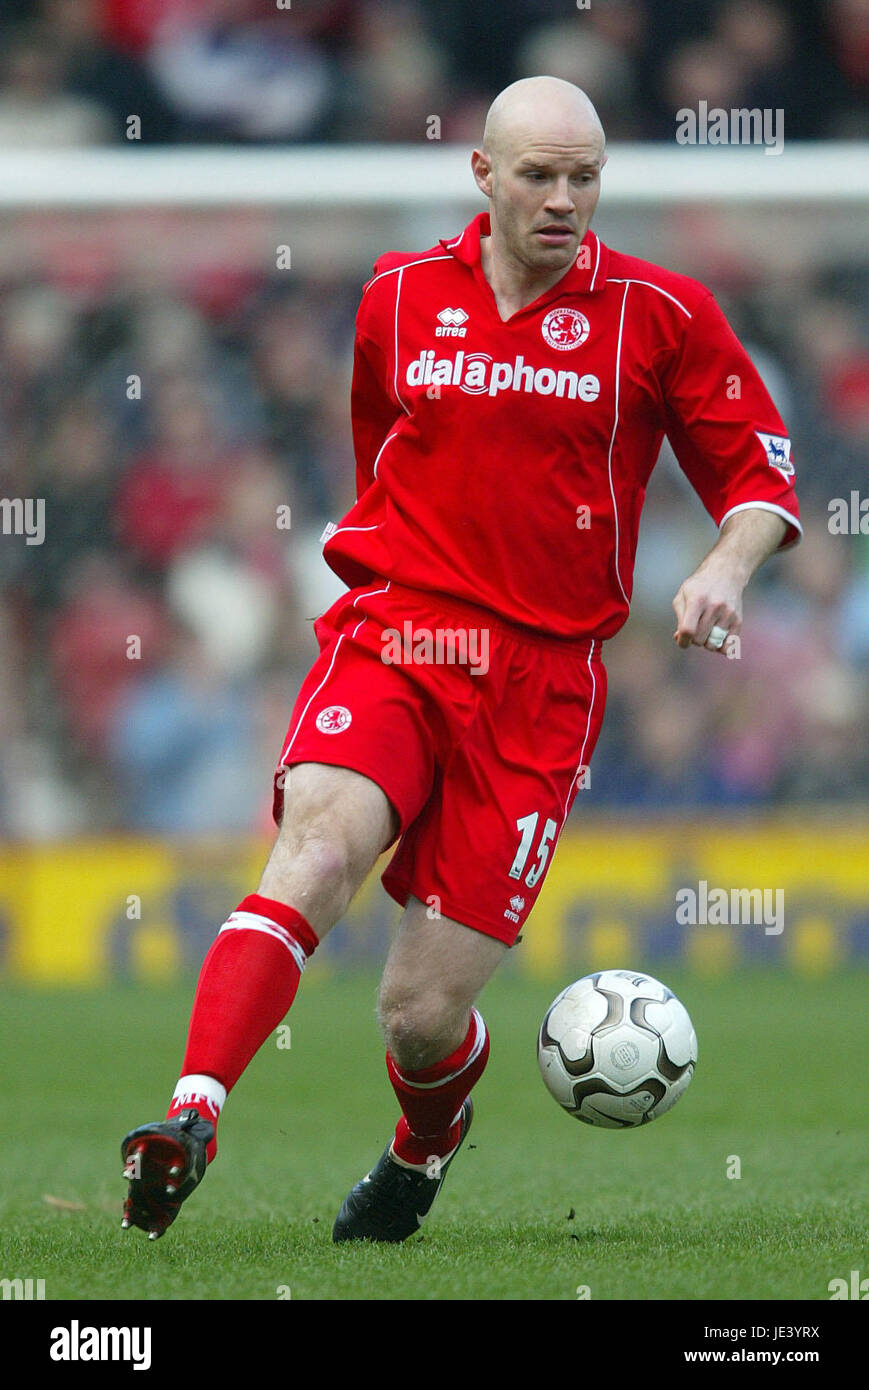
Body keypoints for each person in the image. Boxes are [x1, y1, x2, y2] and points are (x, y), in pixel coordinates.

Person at [120, 76, 802, 1243]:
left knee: (417, 1016)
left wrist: (721, 570)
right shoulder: (395, 296)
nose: (561, 199)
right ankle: (191, 1113)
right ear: (481, 175)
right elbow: (382, 456)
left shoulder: (660, 314)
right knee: (318, 845)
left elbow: (760, 481)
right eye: (536, 174)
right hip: (398, 634)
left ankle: (423, 1142)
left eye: (583, 177)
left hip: (542, 685)